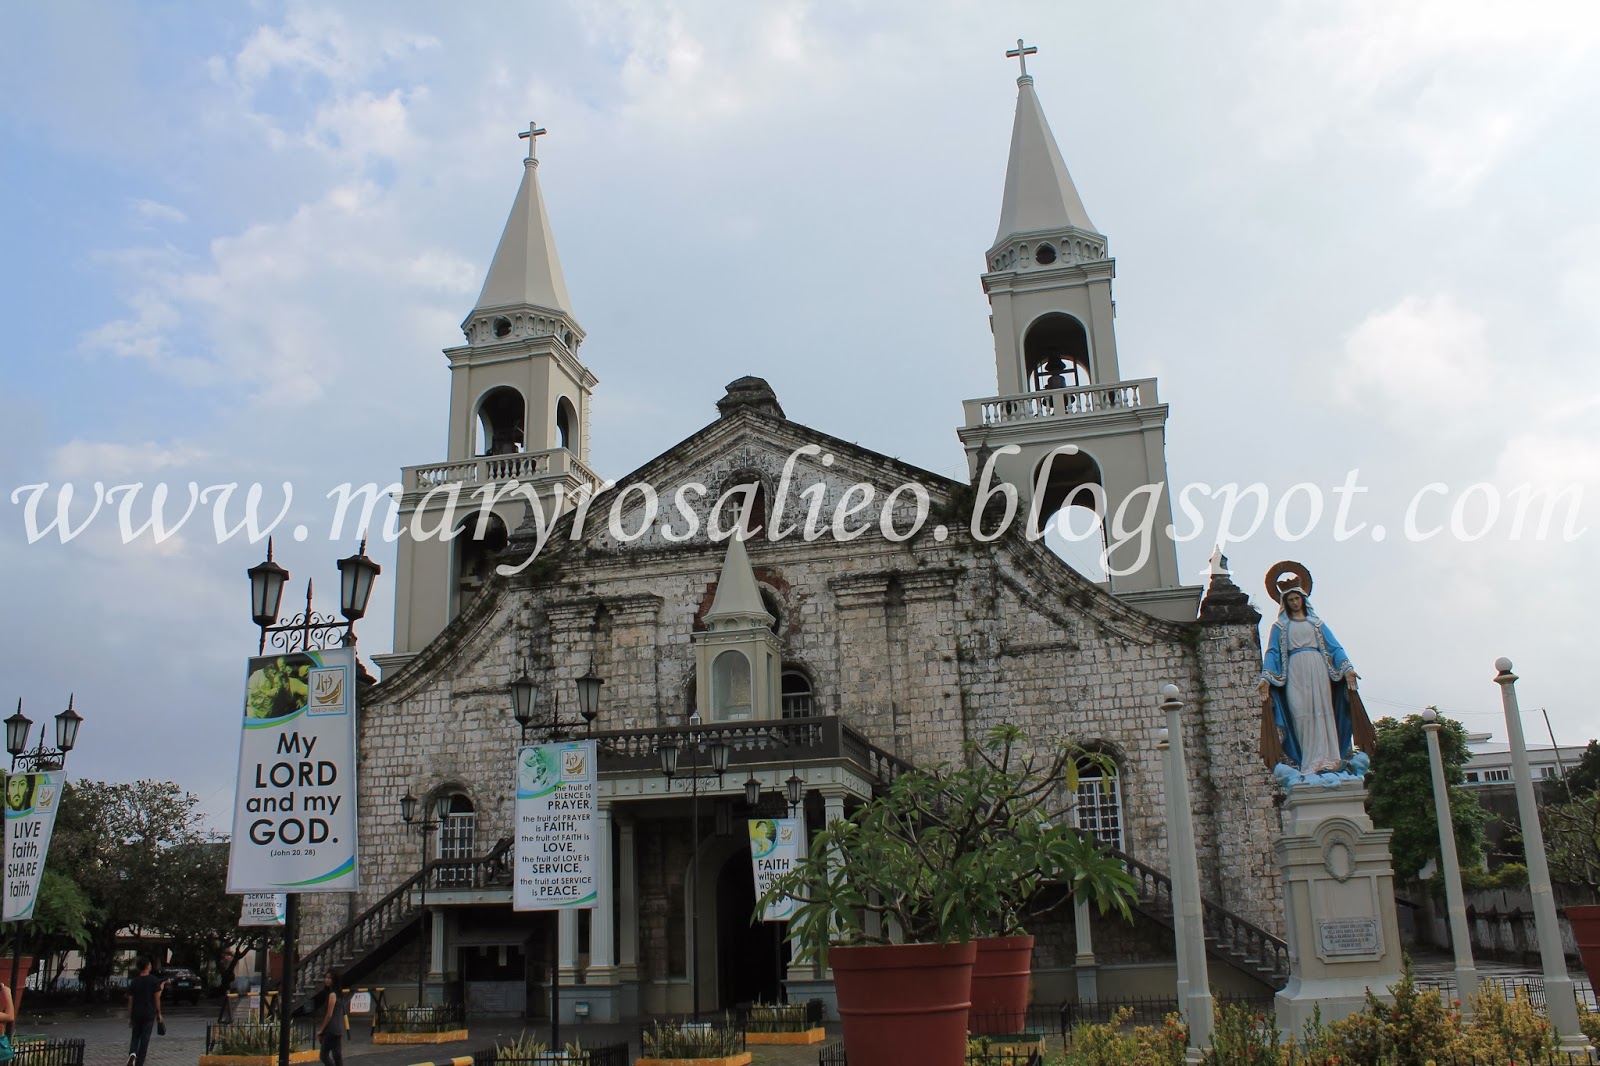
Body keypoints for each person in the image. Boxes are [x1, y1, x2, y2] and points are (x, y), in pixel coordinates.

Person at [1256, 562, 1375, 777]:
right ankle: (1309, 761)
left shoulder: (1316, 624)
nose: (1294, 602)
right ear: (1284, 602)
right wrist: (1266, 678)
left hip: (1318, 669)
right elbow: (1272, 653)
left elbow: (1335, 648)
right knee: (1300, 713)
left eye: (1297, 598)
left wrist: (1347, 668)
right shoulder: (1280, 627)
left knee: (1323, 712)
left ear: (1303, 599)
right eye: (1290, 599)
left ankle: (1329, 758)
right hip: (1294, 672)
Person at [127, 957, 163, 1066]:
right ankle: (139, 1062)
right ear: (147, 966)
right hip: (149, 1012)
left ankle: (132, 1054)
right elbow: (156, 999)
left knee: (135, 1036)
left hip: (136, 1013)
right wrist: (159, 1013)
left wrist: (130, 1016)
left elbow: (130, 1000)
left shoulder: (134, 981)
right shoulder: (153, 980)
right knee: (145, 1038)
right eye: (150, 964)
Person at [316, 971, 343, 1066]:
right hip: (338, 1029)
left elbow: (329, 1015)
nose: (327, 980)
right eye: (326, 977)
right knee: (337, 1056)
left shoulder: (332, 995)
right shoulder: (339, 994)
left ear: (334, 980)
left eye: (330, 978)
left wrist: (321, 1030)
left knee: (323, 1056)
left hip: (330, 1029)